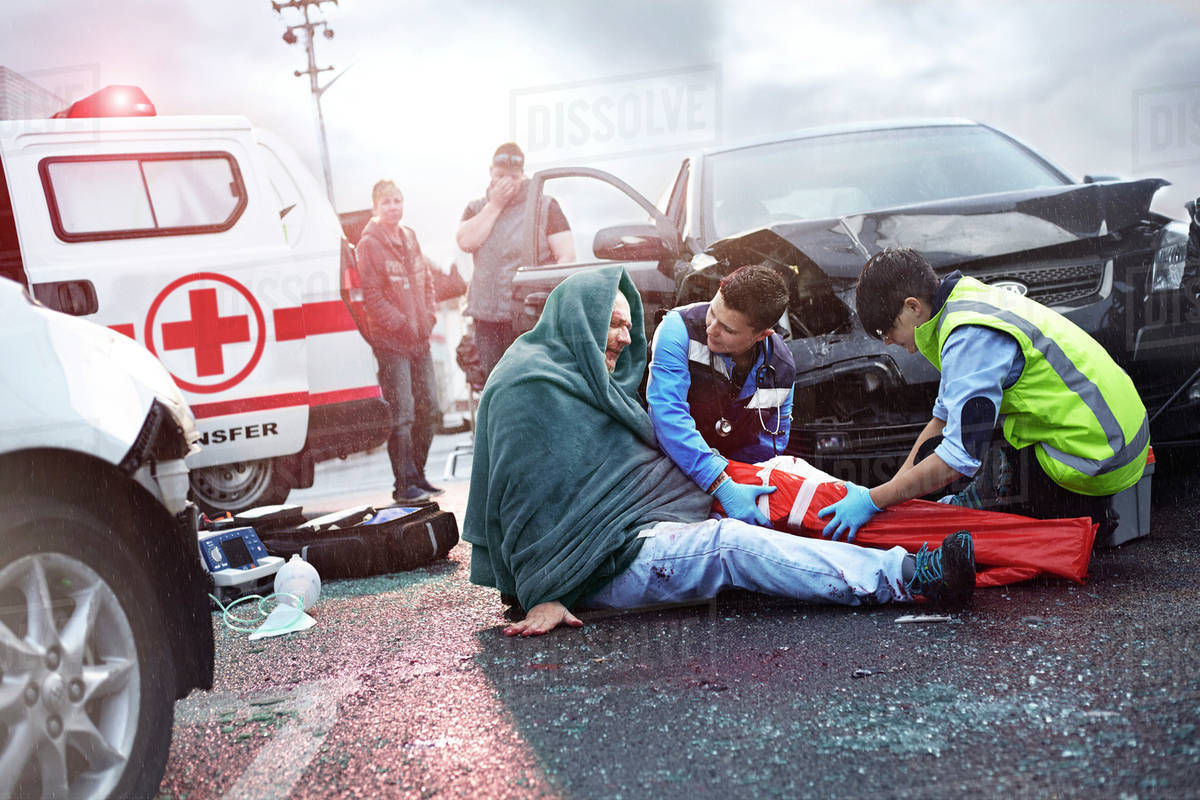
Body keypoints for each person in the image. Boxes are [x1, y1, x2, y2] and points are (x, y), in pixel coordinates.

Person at [462, 265, 975, 637]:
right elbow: (519, 500)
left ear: (762, 333)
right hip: (597, 563)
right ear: (574, 321)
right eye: (611, 323)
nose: (624, 336)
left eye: (625, 323)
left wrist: (746, 478)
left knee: (788, 482)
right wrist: (545, 591)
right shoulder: (527, 386)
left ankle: (923, 520)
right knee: (730, 545)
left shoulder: (593, 381)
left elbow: (759, 443)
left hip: (642, 518)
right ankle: (906, 576)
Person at [818, 246, 1149, 542]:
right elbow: (941, 421)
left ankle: (1081, 517)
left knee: (996, 517)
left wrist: (874, 500)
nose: (887, 341)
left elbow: (957, 459)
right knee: (968, 425)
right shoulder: (964, 303)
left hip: (1099, 457)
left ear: (912, 307)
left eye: (885, 330)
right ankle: (1067, 509)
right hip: (1114, 434)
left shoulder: (968, 337)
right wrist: (892, 493)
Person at [647, 263, 795, 527]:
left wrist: (738, 484)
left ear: (762, 335)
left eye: (728, 329)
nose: (711, 329)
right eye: (713, 312)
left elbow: (770, 441)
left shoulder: (781, 370)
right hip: (663, 464)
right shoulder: (676, 329)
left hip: (736, 478)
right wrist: (719, 484)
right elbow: (667, 416)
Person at [456, 142, 576, 377]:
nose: (505, 182)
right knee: (496, 382)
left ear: (522, 174)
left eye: (512, 177)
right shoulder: (476, 208)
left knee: (533, 380)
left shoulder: (546, 205)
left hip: (530, 317)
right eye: (500, 175)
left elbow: (567, 257)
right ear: (491, 171)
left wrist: (549, 302)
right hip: (487, 320)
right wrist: (495, 205)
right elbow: (465, 241)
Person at [356, 179, 443, 504]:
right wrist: (402, 324)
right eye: (386, 202)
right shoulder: (369, 244)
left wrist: (429, 316)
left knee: (430, 409)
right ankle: (404, 484)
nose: (393, 207)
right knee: (403, 413)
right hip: (392, 344)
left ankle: (418, 475)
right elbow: (373, 298)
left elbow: (428, 281)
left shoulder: (410, 236)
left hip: (420, 340)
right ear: (375, 208)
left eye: (397, 200)